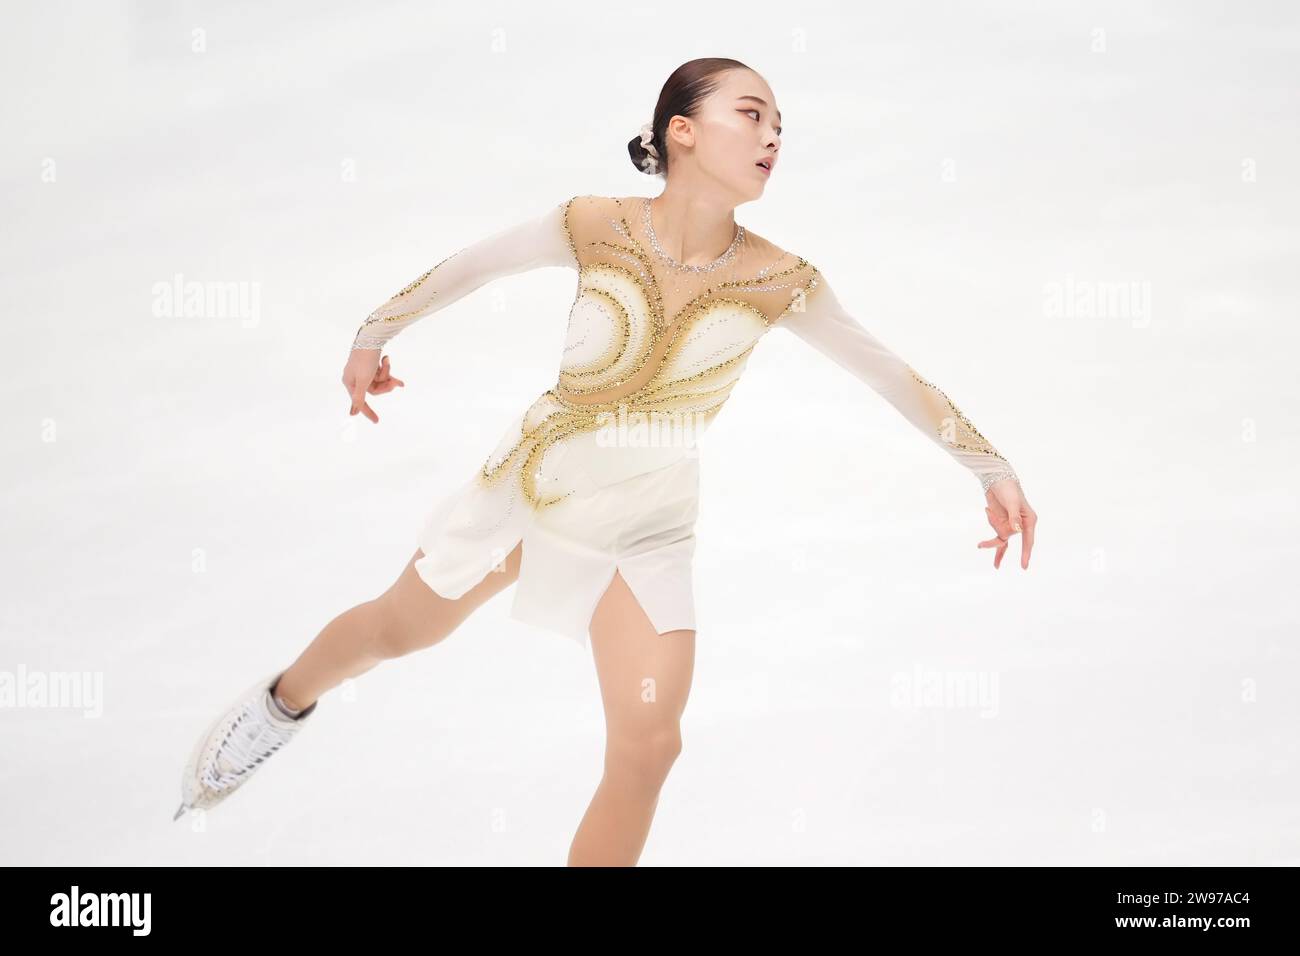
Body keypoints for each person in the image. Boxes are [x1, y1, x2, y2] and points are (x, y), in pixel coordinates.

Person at [174, 57, 1037, 866]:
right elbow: (475, 267)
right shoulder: (595, 223)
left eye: (781, 126)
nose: (773, 136)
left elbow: (889, 373)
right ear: (681, 131)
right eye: (752, 115)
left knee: (650, 743)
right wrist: (375, 332)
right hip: (533, 487)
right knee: (399, 631)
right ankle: (281, 703)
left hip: (645, 520)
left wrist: (990, 469)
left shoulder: (783, 280)